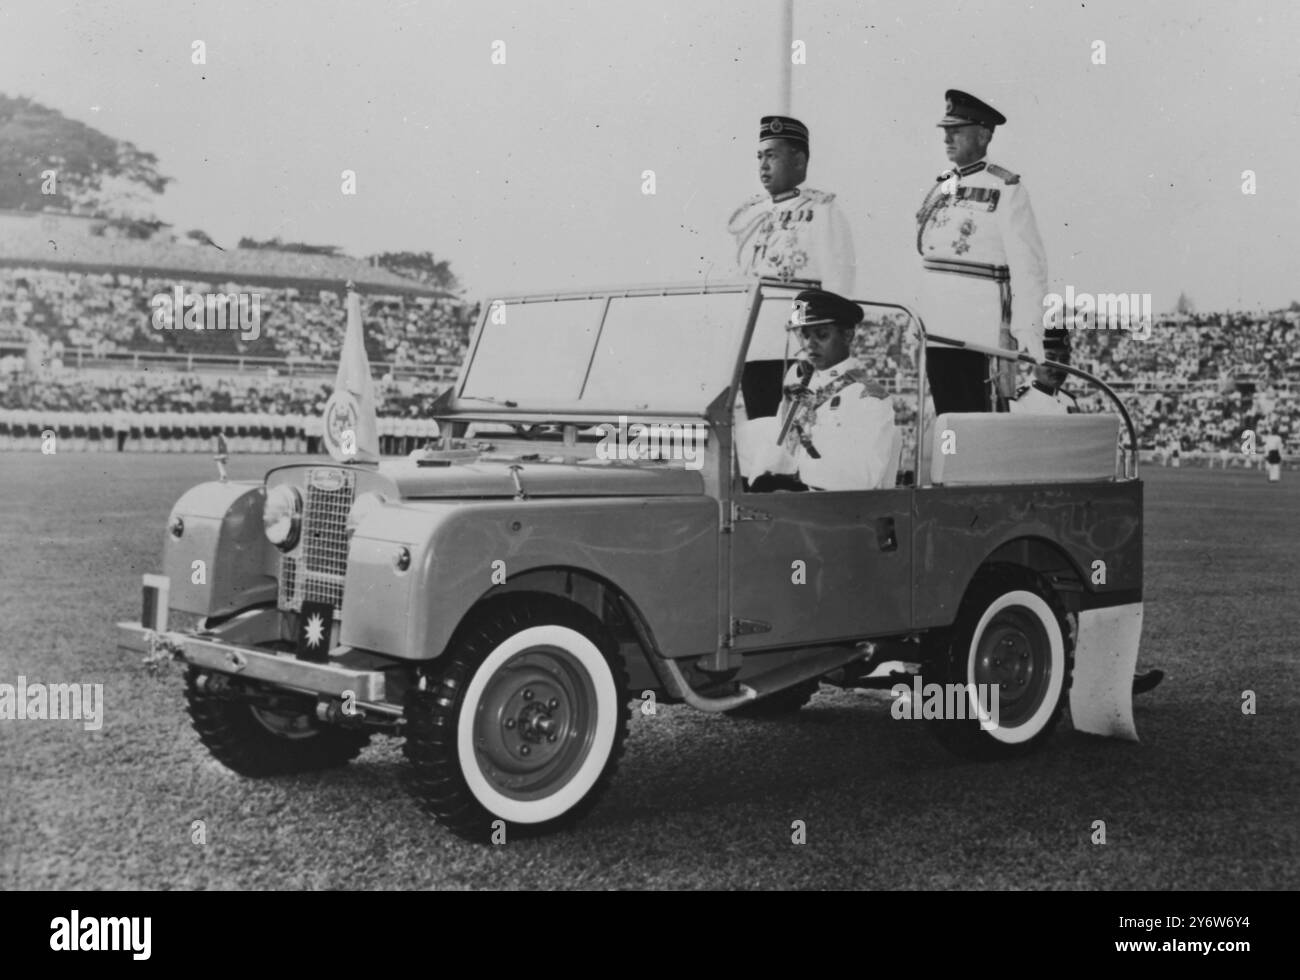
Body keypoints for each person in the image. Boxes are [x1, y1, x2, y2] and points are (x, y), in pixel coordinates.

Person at [917, 90, 1048, 415]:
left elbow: (1028, 265)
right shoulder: (943, 186)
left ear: (984, 134)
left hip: (980, 329)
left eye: (957, 130)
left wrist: (1028, 328)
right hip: (938, 326)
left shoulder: (1006, 188)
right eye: (946, 130)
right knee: (947, 419)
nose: (947, 137)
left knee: (979, 421)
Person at [728, 116, 859, 421]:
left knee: (796, 434)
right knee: (758, 433)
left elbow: (839, 286)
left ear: (799, 160)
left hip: (797, 346)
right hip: (754, 343)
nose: (763, 166)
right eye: (760, 157)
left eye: (772, 156)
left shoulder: (823, 211)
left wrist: (824, 346)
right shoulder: (753, 214)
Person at [748, 289, 896, 493]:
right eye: (804, 335)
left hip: (836, 509)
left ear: (847, 335)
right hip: (788, 502)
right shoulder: (799, 381)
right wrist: (760, 480)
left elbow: (865, 475)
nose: (810, 344)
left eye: (822, 334)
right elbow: (778, 440)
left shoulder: (868, 397)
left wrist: (797, 475)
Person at [1008, 327, 1078, 414]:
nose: (1058, 367)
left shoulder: (1069, 401)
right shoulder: (1018, 404)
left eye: (1064, 359)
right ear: (1033, 358)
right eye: (1050, 358)